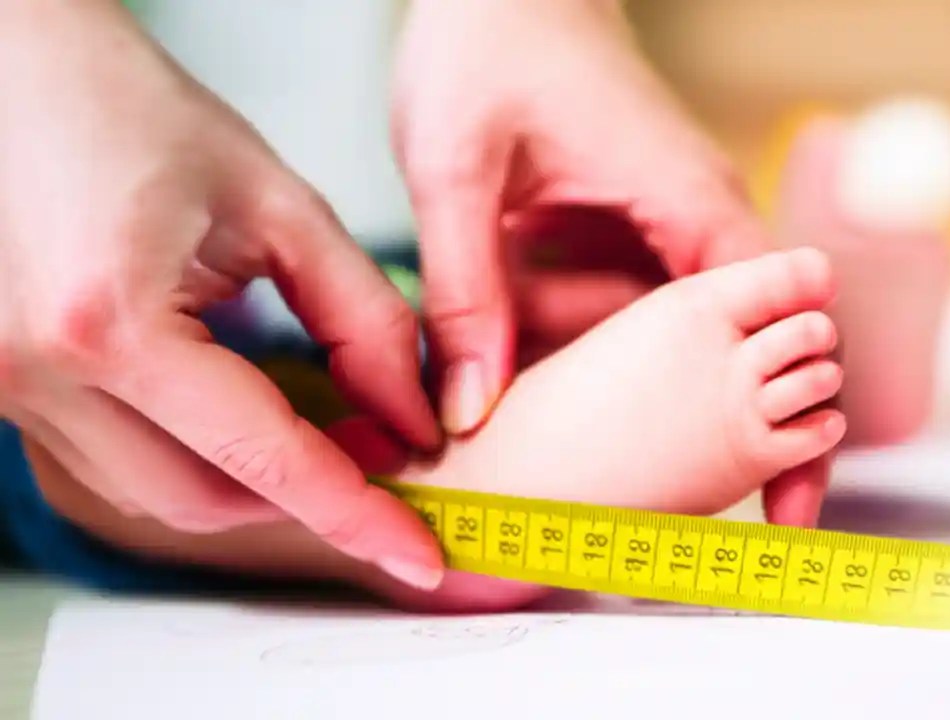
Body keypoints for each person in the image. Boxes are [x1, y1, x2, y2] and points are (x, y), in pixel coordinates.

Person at [0, 0, 850, 599]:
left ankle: (841, 369)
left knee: (513, 298)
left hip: (329, 253)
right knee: (89, 426)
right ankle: (455, 497)